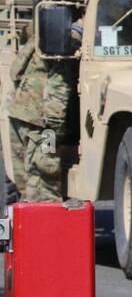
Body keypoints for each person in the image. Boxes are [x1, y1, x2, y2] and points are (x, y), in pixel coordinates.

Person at [6, 14, 80, 201]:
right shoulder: (63, 44)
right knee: (44, 175)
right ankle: (43, 222)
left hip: (21, 112)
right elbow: (60, 84)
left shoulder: (40, 37)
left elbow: (15, 72)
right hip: (43, 120)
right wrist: (54, 126)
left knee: (27, 178)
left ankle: (31, 221)